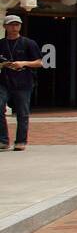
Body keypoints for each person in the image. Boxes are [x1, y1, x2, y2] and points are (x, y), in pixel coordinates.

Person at [0, 14, 43, 152]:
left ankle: (21, 141)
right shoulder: (1, 43)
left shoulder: (28, 43)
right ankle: (3, 140)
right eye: (11, 25)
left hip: (23, 81)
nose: (14, 27)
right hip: (4, 81)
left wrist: (23, 63)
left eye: (17, 24)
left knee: (22, 112)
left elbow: (39, 62)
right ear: (5, 26)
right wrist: (3, 65)